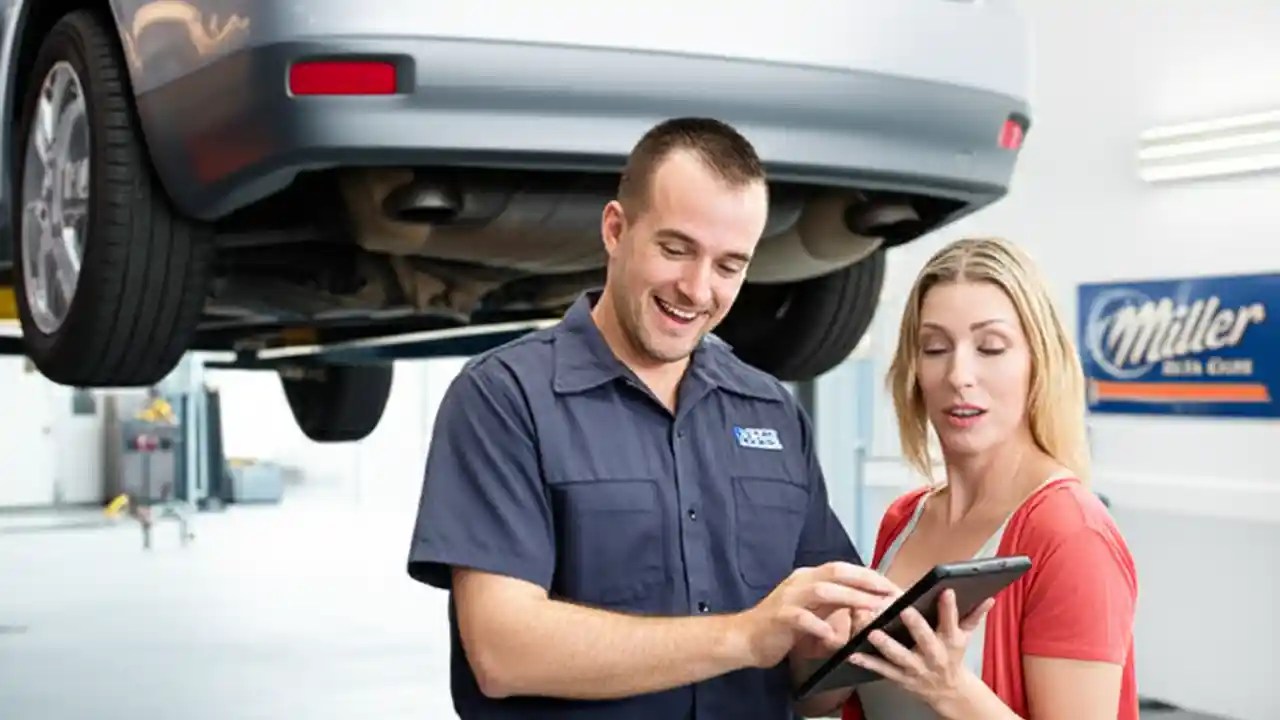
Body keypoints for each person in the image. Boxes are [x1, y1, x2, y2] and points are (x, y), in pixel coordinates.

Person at [405, 117, 899, 719]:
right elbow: (504, 653)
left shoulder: (771, 410)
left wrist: (869, 648)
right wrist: (742, 636)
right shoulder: (505, 399)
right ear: (616, 229)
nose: (697, 288)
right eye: (676, 249)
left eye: (729, 265)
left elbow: (812, 694)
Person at [796, 237, 1139, 719]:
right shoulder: (906, 518)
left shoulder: (1071, 533)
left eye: (991, 347)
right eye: (935, 348)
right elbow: (827, 702)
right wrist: (824, 648)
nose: (959, 374)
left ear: (1037, 362)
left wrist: (951, 689)